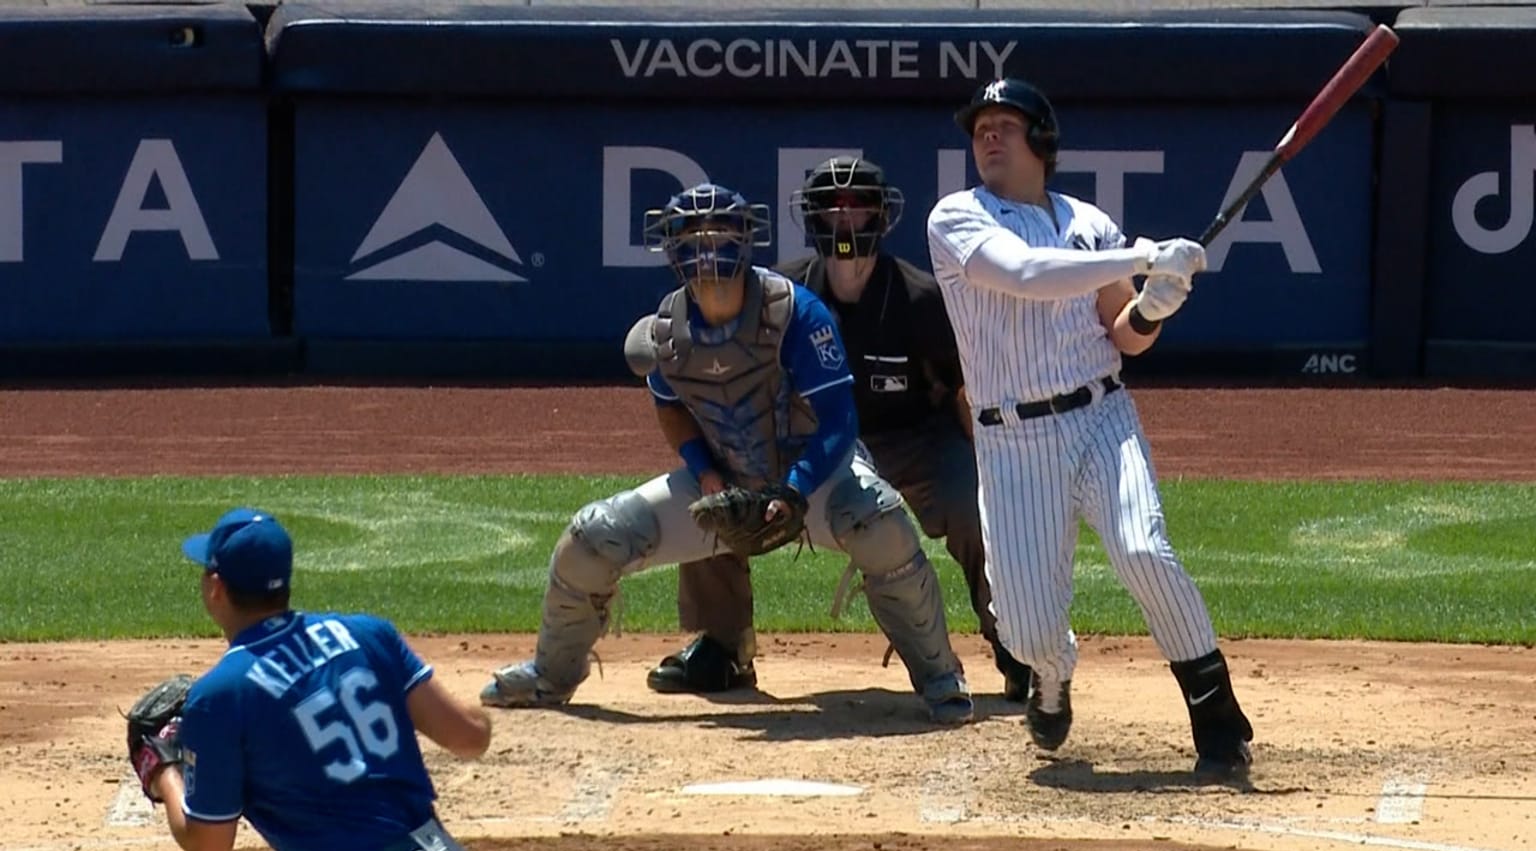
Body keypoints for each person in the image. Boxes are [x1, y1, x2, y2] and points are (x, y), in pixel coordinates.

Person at [479, 182, 975, 726]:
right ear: (670, 248)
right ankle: (551, 676)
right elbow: (671, 409)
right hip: (733, 476)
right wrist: (706, 473)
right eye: (692, 237)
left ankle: (939, 676)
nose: (707, 247)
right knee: (594, 536)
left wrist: (796, 488)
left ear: (747, 240)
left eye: (721, 234)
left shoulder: (794, 314)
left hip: (816, 479)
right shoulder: (667, 328)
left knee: (877, 521)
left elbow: (839, 418)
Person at [924, 77, 1255, 778]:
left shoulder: (1088, 221)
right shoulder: (957, 217)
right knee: (1028, 629)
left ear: (1040, 140)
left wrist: (1157, 304)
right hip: (1013, 441)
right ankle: (1050, 674)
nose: (988, 135)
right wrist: (1143, 259)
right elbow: (1023, 274)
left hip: (1103, 416)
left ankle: (1215, 709)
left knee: (1144, 549)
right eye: (981, 126)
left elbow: (1124, 334)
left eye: (1005, 125)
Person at [644, 156, 1033, 701]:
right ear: (812, 217)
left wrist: (991, 467)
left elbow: (963, 392)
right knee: (720, 490)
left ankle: (1016, 643)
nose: (845, 217)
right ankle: (724, 645)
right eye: (832, 206)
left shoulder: (920, 299)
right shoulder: (783, 294)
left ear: (881, 215)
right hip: (807, 441)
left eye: (857, 206)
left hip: (911, 442)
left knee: (974, 506)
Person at [148, 507, 493, 851]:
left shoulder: (221, 695)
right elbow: (471, 736)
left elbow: (209, 847)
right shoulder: (370, 635)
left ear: (216, 587)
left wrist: (161, 771)